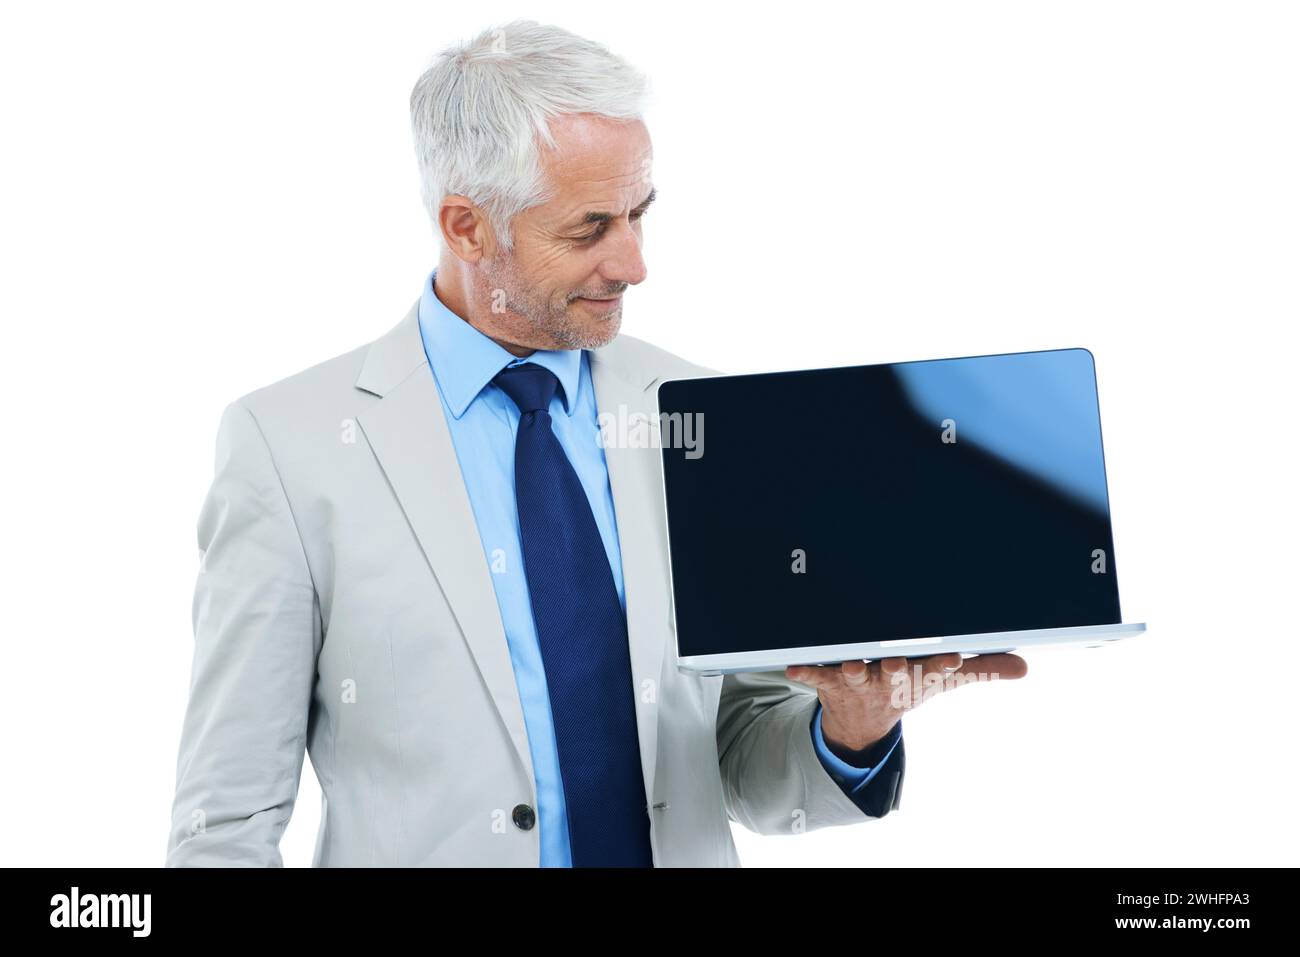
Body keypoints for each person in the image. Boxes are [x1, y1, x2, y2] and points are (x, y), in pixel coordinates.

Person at [165, 18, 1025, 868]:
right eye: (590, 228)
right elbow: (225, 825)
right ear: (466, 227)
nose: (634, 263)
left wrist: (852, 727)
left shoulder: (706, 419)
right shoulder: (291, 450)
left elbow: (742, 754)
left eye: (639, 214)